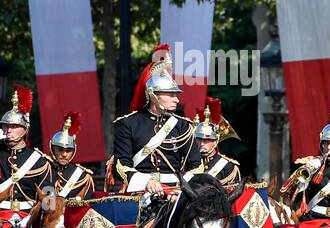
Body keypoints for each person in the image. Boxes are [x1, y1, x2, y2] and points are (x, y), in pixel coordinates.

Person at [111, 44, 201, 193]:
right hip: (141, 190)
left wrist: (183, 188)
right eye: (171, 95)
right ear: (154, 96)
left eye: (176, 95)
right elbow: (122, 165)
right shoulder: (128, 123)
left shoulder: (183, 126)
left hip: (176, 190)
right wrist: (146, 182)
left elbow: (196, 165)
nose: (176, 100)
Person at [0, 87, 54, 228]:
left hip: (28, 218)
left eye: (14, 126)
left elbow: (49, 200)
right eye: (5, 126)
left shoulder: (39, 161)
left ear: (25, 130)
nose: (9, 130)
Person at [184, 99, 242, 193]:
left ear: (216, 141)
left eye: (207, 140)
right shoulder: (186, 161)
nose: (202, 143)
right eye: (199, 139)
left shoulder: (227, 166)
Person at [47, 111, 94, 199]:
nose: (64, 154)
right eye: (60, 150)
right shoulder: (45, 170)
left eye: (68, 150)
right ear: (52, 149)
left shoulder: (82, 176)